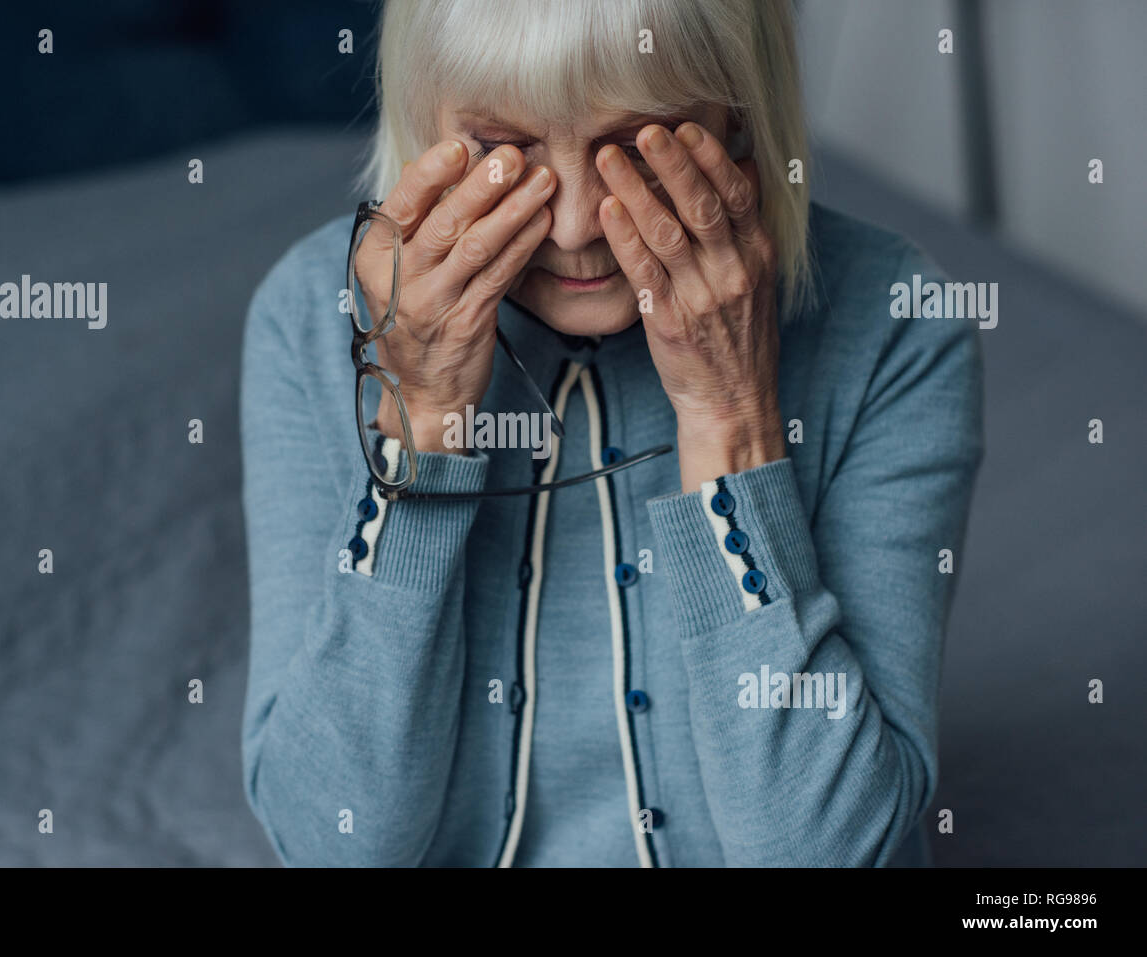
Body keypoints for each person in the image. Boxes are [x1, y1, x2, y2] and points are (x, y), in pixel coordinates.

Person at [239, 0, 984, 866]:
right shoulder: (306, 315)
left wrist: (730, 421)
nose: (575, 226)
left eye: (637, 147)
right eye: (501, 150)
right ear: (422, 121)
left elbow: (826, 853)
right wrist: (425, 418)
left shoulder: (901, 322)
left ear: (741, 117)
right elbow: (330, 843)